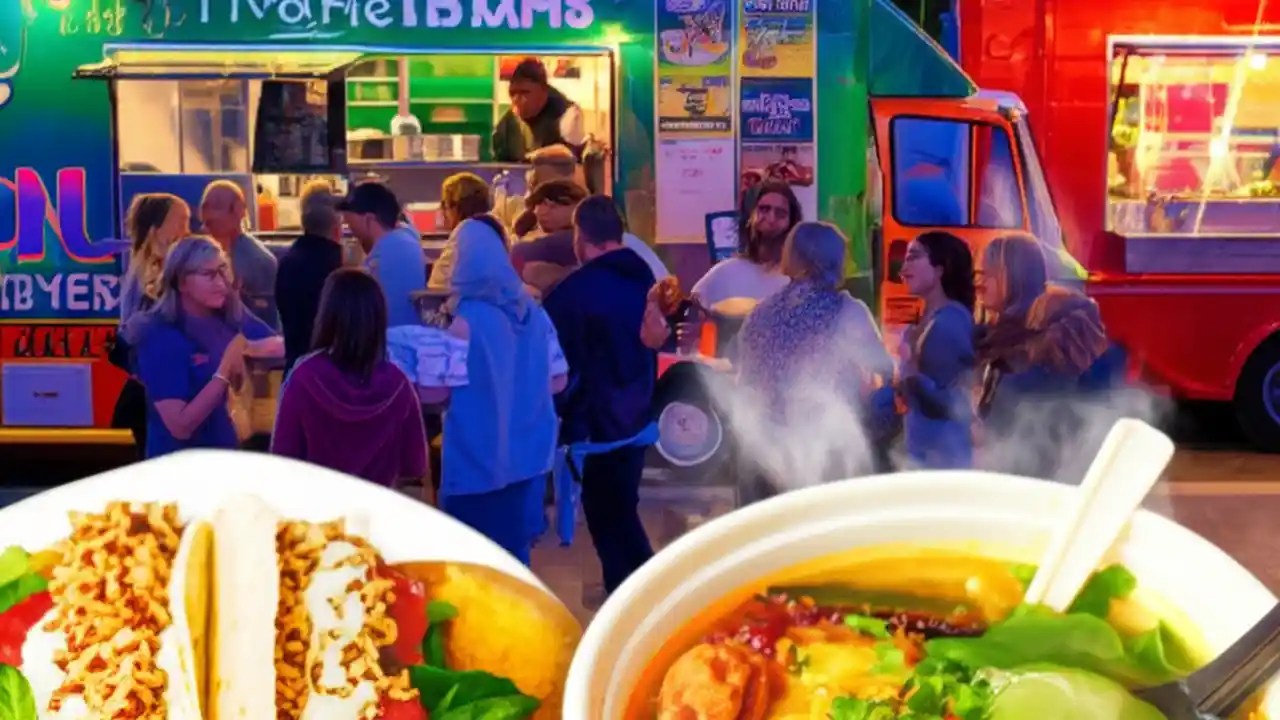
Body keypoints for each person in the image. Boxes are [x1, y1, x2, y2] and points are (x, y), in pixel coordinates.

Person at [543, 195, 657, 594]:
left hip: (597, 424)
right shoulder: (644, 277)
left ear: (581, 236)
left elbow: (555, 361)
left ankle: (635, 595)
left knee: (609, 518)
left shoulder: (575, 291)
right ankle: (641, 591)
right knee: (623, 508)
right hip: (638, 416)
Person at [439, 214, 568, 565]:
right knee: (517, 561)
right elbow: (559, 380)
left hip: (477, 463)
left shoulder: (462, 321)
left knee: (476, 569)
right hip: (529, 460)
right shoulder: (534, 313)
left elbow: (441, 392)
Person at [735, 222, 894, 501]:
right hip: (821, 447)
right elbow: (885, 369)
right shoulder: (847, 311)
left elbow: (744, 381)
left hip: (764, 447)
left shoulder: (760, 312)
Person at [125, 235, 283, 459]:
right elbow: (180, 425)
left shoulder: (229, 315)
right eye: (209, 275)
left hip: (225, 461)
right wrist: (226, 368)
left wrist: (249, 348)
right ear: (181, 282)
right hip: (180, 470)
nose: (221, 283)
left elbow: (279, 346)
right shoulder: (160, 335)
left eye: (223, 270)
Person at [271, 268, 429, 487]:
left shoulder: (304, 378)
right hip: (376, 514)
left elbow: (282, 458)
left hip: (316, 514)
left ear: (327, 316)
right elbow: (415, 465)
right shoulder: (399, 385)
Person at [974, 233, 1111, 481]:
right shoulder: (1008, 336)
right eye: (978, 274)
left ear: (1015, 278)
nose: (979, 283)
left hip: (1032, 483)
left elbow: (1027, 430)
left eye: (988, 274)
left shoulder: (1038, 348)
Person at [112, 193, 191, 457]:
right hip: (154, 397)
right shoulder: (154, 274)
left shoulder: (144, 267)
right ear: (157, 229)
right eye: (180, 221)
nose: (186, 230)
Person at [897, 231, 977, 469]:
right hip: (928, 455)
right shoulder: (930, 320)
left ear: (940, 269)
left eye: (914, 257)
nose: (903, 269)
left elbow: (950, 404)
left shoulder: (948, 323)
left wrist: (910, 371)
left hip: (943, 460)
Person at [691, 179, 798, 307]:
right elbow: (694, 309)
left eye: (781, 213)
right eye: (764, 209)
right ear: (749, 217)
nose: (771, 219)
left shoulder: (799, 279)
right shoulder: (726, 273)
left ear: (792, 224)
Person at [274, 180, 343, 377]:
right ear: (336, 222)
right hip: (333, 376)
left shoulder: (287, 261)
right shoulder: (343, 263)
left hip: (295, 371)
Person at [337, 181, 425, 327]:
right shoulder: (406, 240)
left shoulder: (382, 257)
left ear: (369, 219)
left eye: (351, 223)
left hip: (387, 342)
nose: (351, 231)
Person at [199, 180, 281, 329]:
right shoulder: (202, 253)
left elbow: (264, 322)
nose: (208, 213)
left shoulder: (257, 260)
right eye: (205, 206)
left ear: (239, 210)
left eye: (216, 206)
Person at [491, 58, 587, 163]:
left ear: (543, 92)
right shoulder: (506, 124)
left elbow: (571, 157)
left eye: (524, 92)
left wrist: (535, 156)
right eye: (513, 93)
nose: (516, 99)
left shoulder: (568, 114)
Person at [428, 173, 502, 292]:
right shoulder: (495, 227)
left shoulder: (465, 233)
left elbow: (437, 285)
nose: (443, 211)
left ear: (456, 207)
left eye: (445, 204)